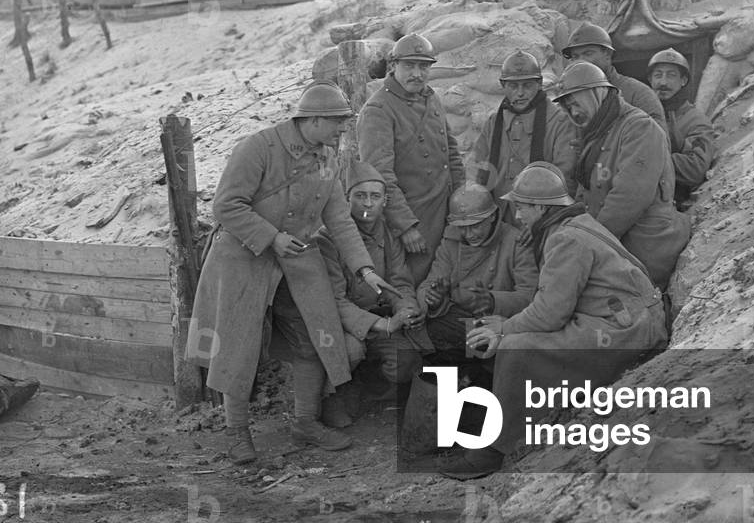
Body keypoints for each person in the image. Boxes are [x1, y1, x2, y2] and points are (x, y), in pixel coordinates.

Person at [436, 163, 668, 479]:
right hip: (631, 319)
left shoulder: (564, 239)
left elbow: (550, 313)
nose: (517, 216)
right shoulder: (573, 223)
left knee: (517, 348)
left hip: (627, 330)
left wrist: (503, 328)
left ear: (541, 207)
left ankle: (495, 449)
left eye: (522, 207)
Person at [186, 82, 376, 464]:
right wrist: (271, 238)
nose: (343, 131)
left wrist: (364, 267)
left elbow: (338, 219)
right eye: (338, 123)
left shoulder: (328, 159)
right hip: (242, 258)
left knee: (314, 338)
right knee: (239, 347)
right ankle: (236, 432)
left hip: (298, 260)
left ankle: (305, 422)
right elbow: (225, 206)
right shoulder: (257, 148)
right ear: (314, 119)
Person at [553, 62, 690, 290]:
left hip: (642, 251)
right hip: (611, 245)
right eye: (568, 108)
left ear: (595, 95)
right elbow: (584, 191)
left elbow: (628, 199)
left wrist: (588, 245)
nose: (574, 113)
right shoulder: (598, 130)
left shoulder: (639, 128)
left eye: (577, 104)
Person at [315, 160, 429, 425]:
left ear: (385, 201)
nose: (368, 204)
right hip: (341, 323)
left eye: (375, 197)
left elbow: (399, 281)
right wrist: (382, 324)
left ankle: (371, 387)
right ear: (346, 199)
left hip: (380, 317)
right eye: (360, 196)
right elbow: (334, 300)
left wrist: (406, 309)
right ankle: (333, 393)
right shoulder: (327, 239)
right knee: (350, 351)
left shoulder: (387, 233)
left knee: (406, 359)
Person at [358, 33, 466, 287]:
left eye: (424, 66)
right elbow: (379, 178)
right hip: (413, 218)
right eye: (409, 65)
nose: (417, 73)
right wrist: (405, 226)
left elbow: (452, 154)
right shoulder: (379, 110)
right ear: (393, 66)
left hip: (443, 210)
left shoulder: (431, 97)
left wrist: (461, 204)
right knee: (409, 286)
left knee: (444, 283)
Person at [418, 184, 538, 366]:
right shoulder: (451, 239)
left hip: (498, 322)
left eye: (475, 226)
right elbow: (429, 284)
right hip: (458, 319)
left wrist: (493, 300)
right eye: (462, 227)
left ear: (491, 216)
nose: (469, 234)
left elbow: (529, 296)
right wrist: (433, 299)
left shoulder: (516, 242)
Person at [468, 49, 577, 201]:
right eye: (513, 86)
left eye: (527, 85)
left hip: (540, 208)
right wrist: (475, 194)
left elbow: (565, 175)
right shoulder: (494, 122)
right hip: (498, 212)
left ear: (539, 84)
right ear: (503, 85)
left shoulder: (559, 122)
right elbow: (476, 164)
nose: (520, 93)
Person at [561, 22, 666, 133]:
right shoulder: (569, 99)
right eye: (575, 56)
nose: (581, 61)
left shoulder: (638, 94)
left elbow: (658, 142)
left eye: (588, 53)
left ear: (607, 54)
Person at [647, 48, 716, 208]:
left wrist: (644, 160)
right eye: (658, 75)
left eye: (671, 75)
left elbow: (695, 168)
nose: (663, 82)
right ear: (650, 79)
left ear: (683, 80)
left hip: (670, 205)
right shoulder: (637, 114)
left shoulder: (696, 121)